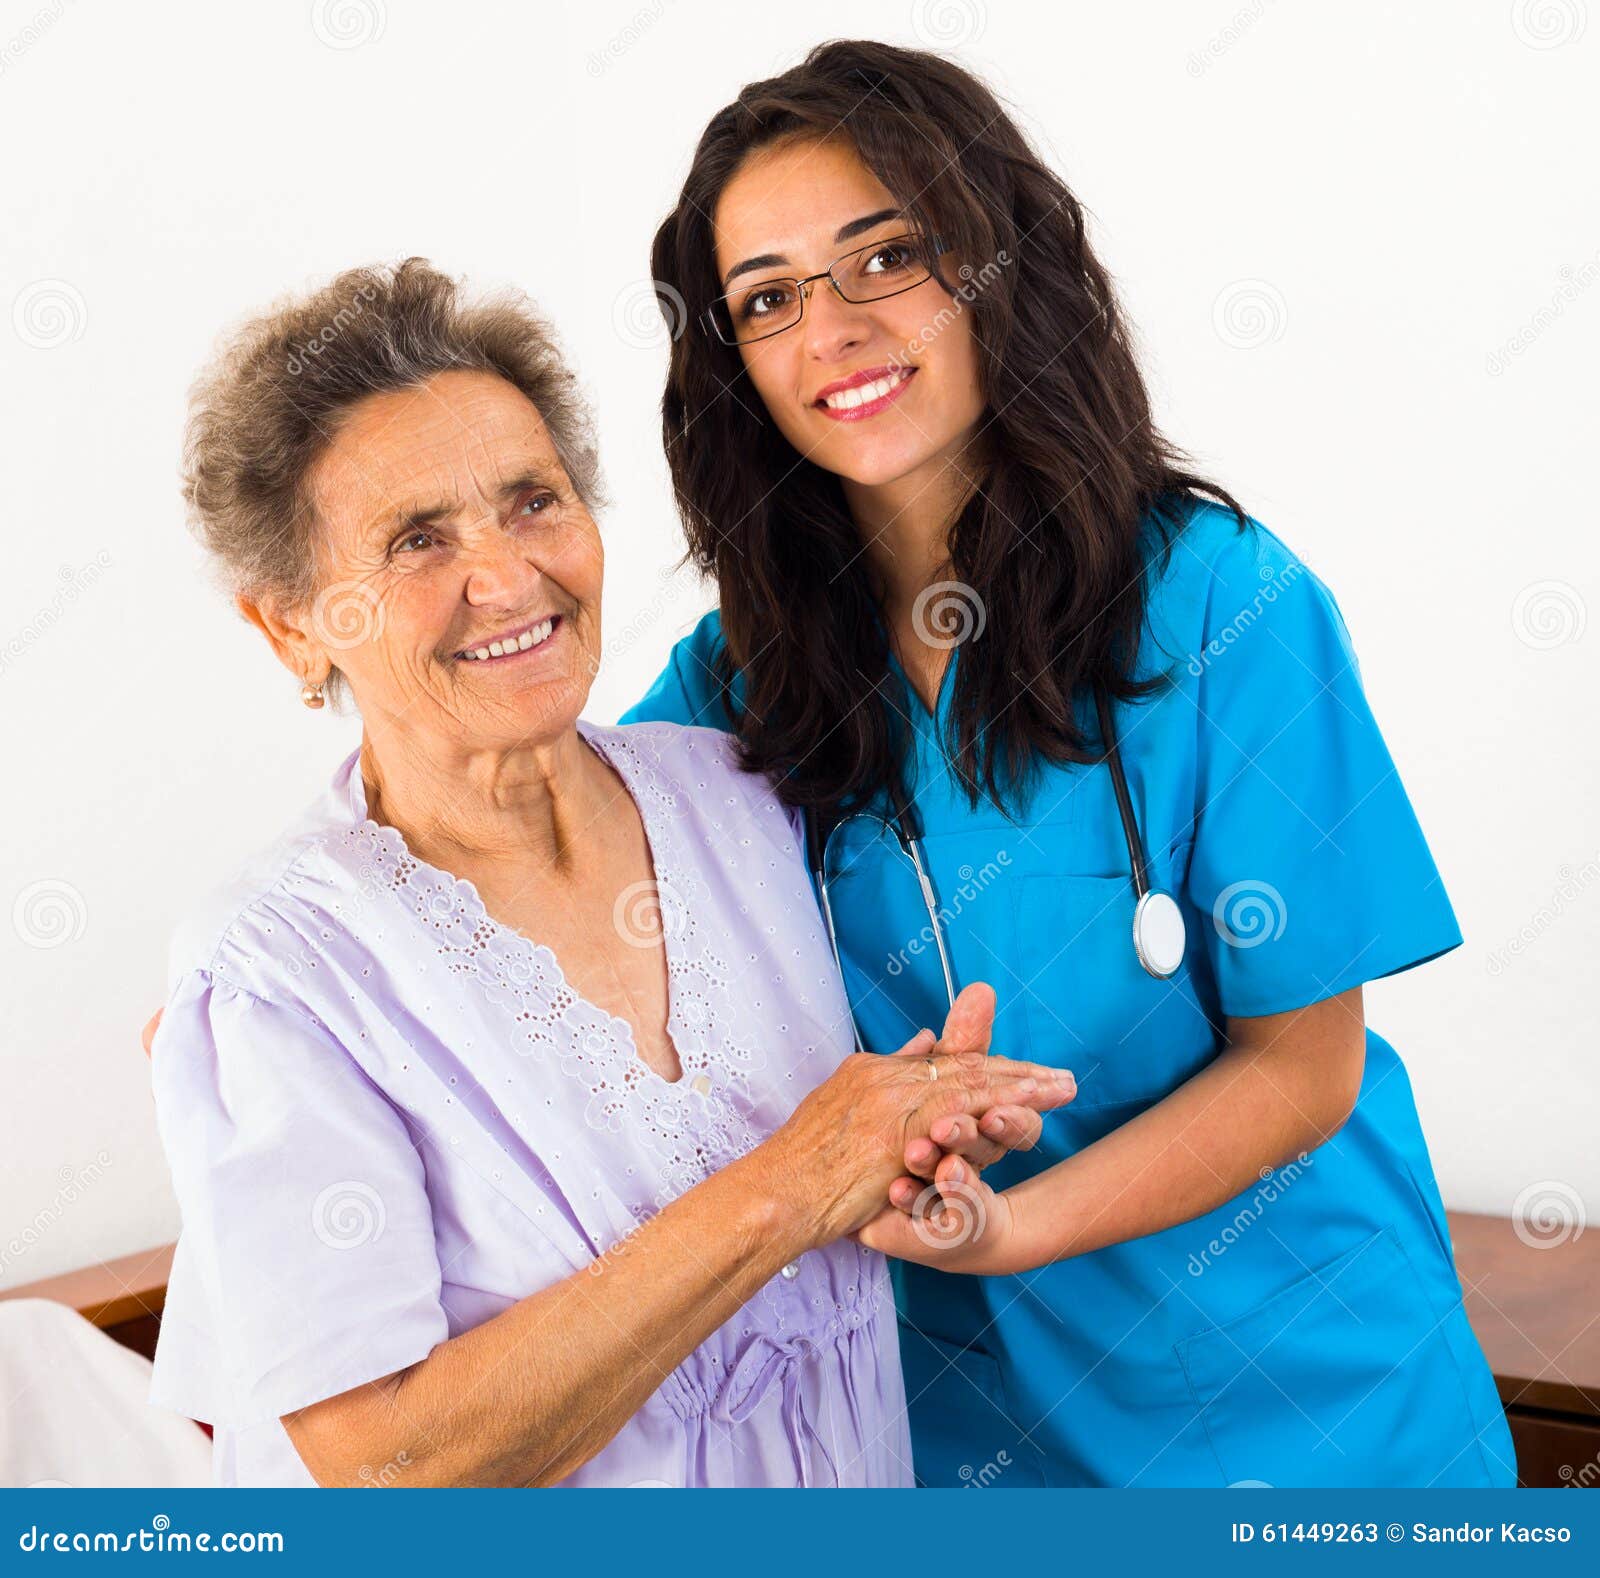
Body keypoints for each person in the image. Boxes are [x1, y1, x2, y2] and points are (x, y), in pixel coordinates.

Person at [625, 39, 1516, 1488]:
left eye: (886, 256)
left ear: (998, 266)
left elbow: (1302, 1066)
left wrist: (1010, 1227)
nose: (831, 328)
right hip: (983, 1439)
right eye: (767, 299)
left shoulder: (1223, 605)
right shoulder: (738, 677)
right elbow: (529, 843)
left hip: (1318, 1424)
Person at [145, 257, 1073, 1488]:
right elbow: (389, 1471)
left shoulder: (744, 794)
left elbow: (847, 1174)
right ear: (293, 625)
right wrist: (796, 1180)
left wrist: (913, 1130)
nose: (507, 576)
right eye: (418, 539)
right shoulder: (275, 975)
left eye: (533, 501)